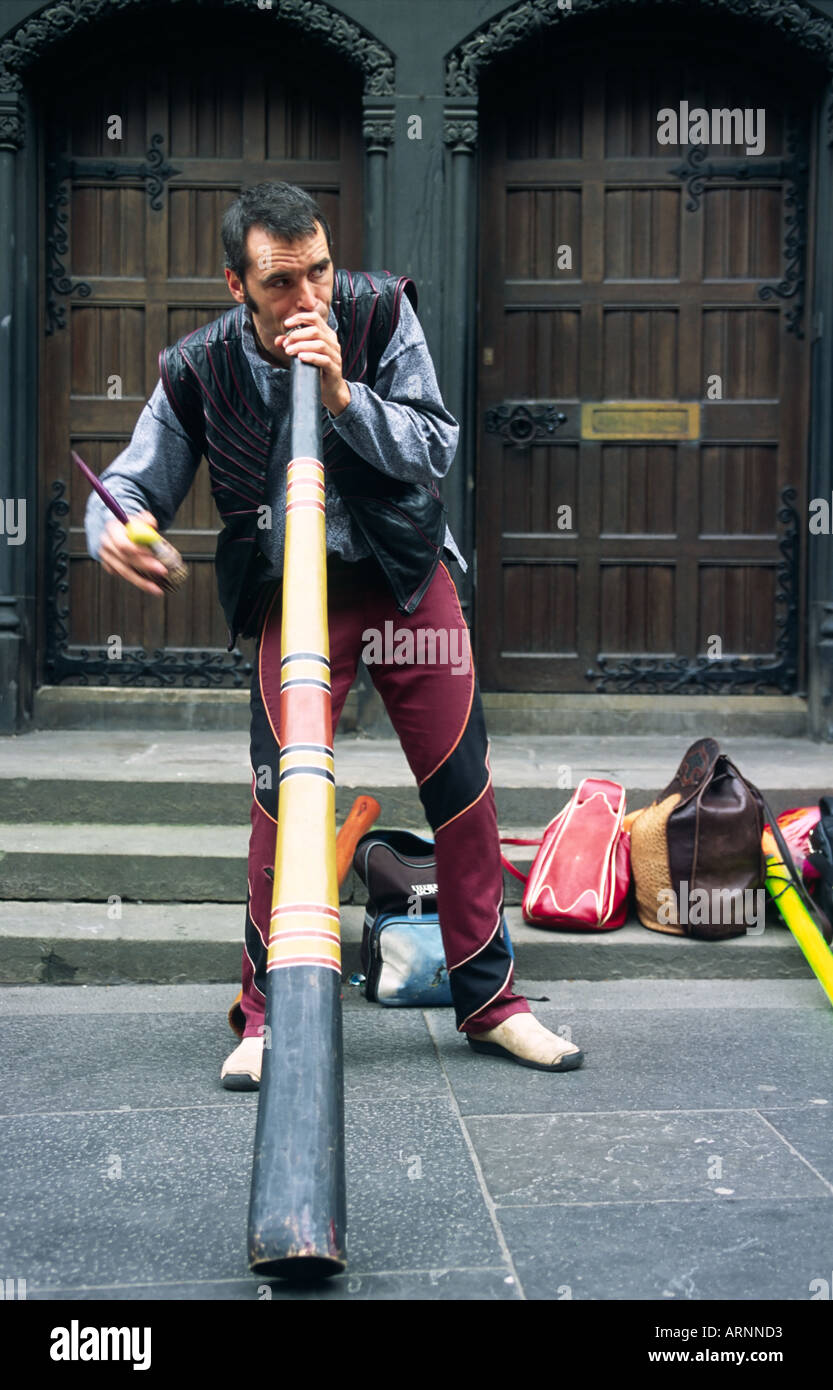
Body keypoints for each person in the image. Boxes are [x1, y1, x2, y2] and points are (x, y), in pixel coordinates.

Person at [84, 181, 584, 1085]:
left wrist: (344, 394)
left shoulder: (379, 311)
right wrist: (113, 527)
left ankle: (492, 1006)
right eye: (280, 282)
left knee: (462, 792)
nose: (307, 297)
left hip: (403, 575)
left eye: (317, 269)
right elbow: (130, 483)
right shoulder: (197, 365)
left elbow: (434, 445)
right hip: (296, 591)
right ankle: (265, 1014)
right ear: (235, 285)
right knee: (281, 803)